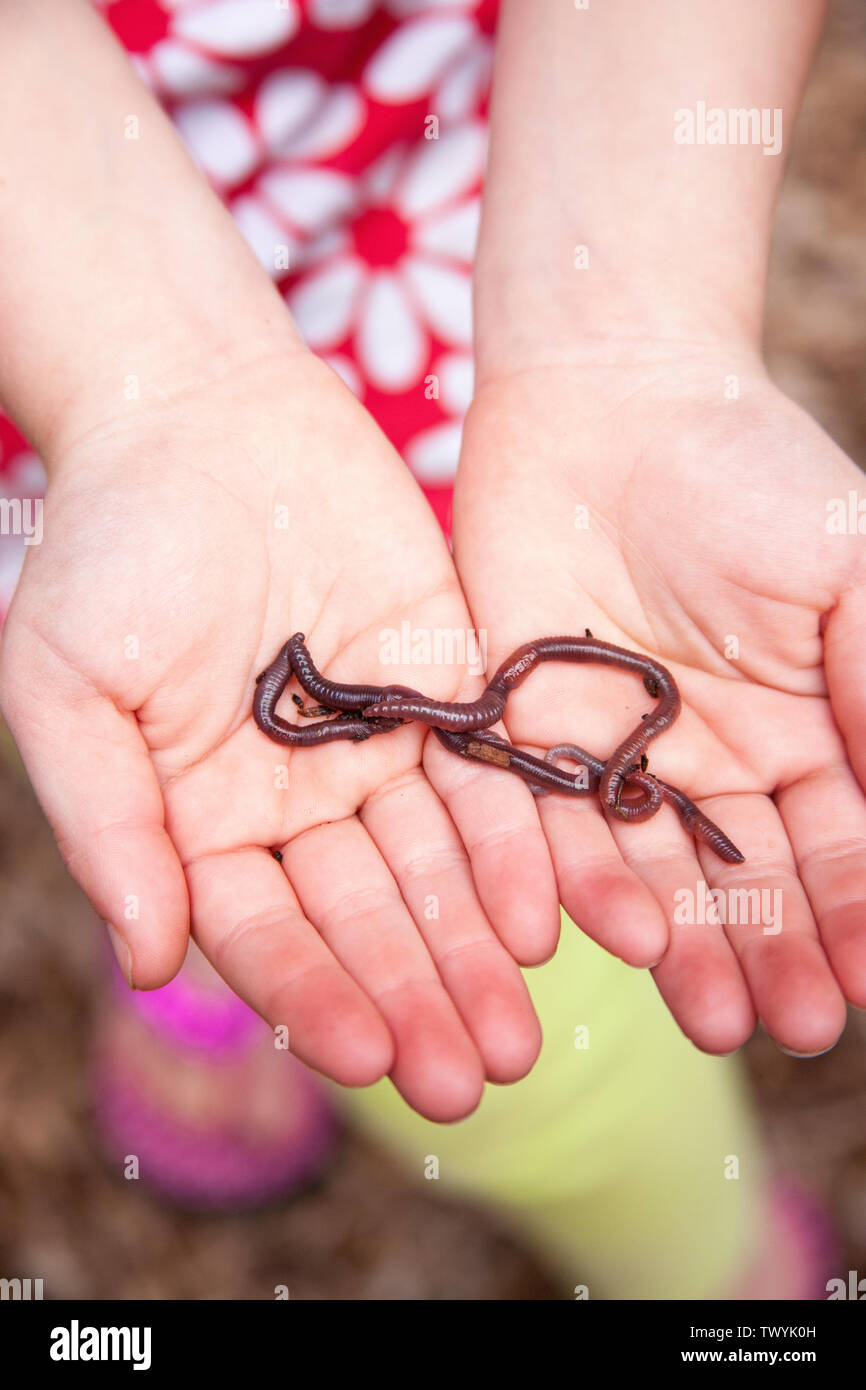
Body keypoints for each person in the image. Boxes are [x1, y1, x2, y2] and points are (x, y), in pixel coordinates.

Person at [0, 0, 859, 1297]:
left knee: (511, 938)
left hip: (467, 263)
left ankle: (697, 1255)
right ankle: (213, 877)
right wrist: (127, 375)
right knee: (155, 696)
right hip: (61, 351)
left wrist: (633, 319)